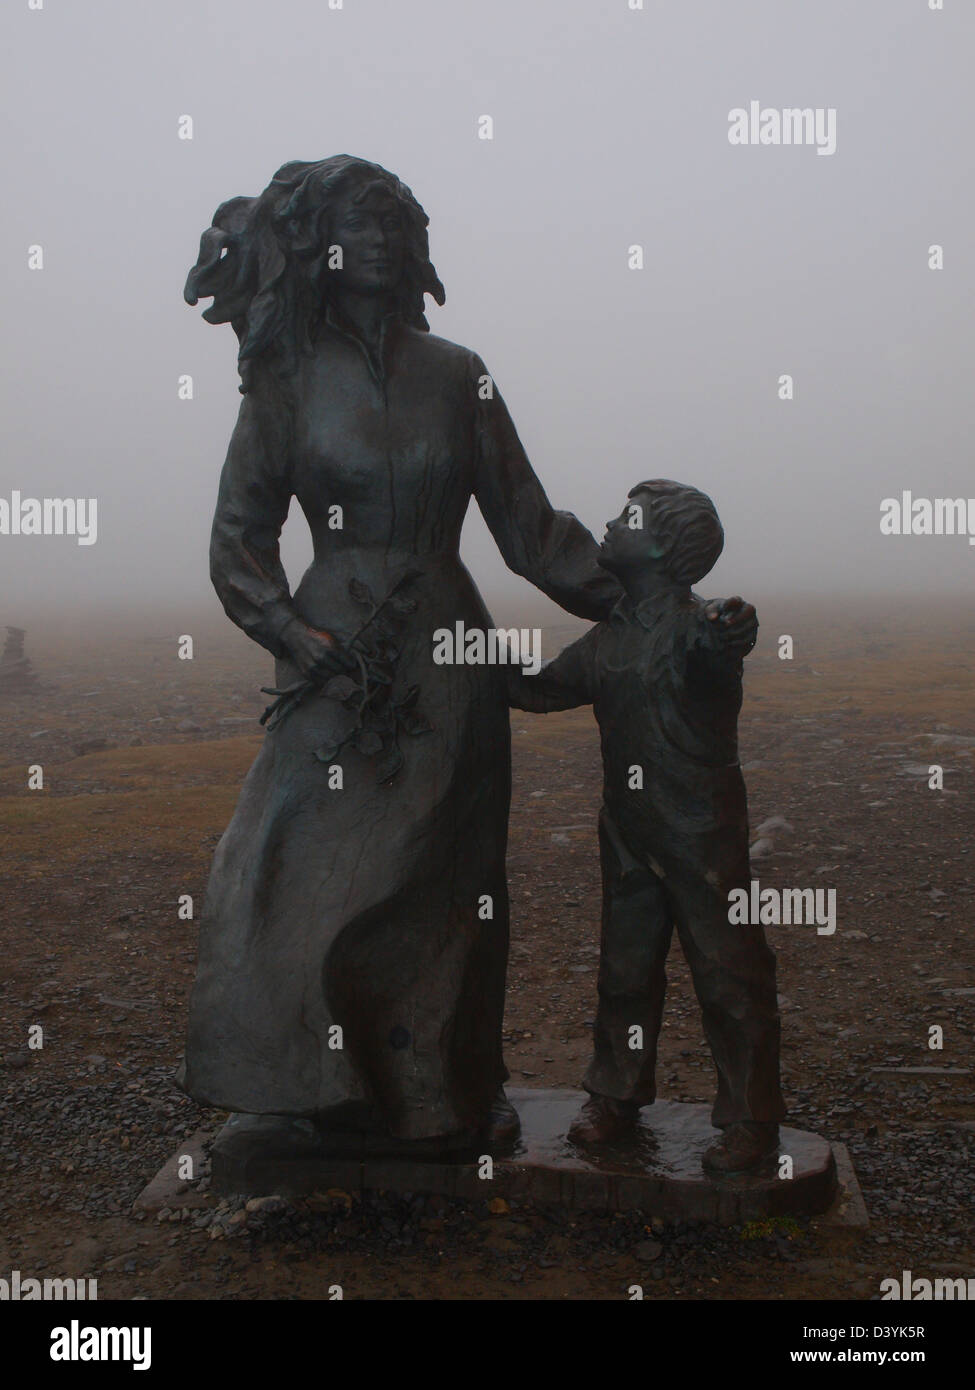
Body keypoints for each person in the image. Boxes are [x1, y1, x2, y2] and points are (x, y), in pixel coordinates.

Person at [177, 155, 624, 1147]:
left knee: (447, 872)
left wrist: (643, 596)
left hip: (447, 647)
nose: (379, 239)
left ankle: (450, 1091)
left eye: (395, 221)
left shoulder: (462, 374)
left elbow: (530, 528)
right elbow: (237, 536)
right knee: (287, 859)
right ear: (321, 246)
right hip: (330, 653)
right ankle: (308, 1082)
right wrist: (292, 633)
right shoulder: (287, 378)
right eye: (358, 221)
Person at [507, 480, 785, 1173]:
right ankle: (615, 1096)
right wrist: (460, 658)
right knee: (624, 972)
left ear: (662, 547)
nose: (605, 522)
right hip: (628, 835)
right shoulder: (610, 638)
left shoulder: (697, 628)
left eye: (624, 518)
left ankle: (750, 1116)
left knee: (728, 972)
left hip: (701, 837)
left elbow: (724, 642)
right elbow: (542, 689)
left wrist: (732, 627)